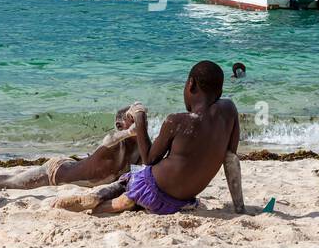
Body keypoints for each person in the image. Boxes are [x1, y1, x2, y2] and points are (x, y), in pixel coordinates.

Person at [53, 61, 244, 216]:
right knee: (142, 190)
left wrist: (140, 118)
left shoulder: (176, 121)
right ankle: (126, 202)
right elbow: (230, 158)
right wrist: (239, 207)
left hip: (150, 187)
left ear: (191, 84)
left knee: (129, 180)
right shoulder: (229, 111)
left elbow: (149, 159)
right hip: (178, 201)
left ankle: (100, 197)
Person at [0, 103, 148, 192]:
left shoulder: (139, 148)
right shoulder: (116, 143)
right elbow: (111, 137)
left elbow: (149, 164)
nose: (138, 122)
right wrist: (133, 129)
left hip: (71, 165)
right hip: (55, 172)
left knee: (1, 181)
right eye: (132, 119)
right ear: (121, 125)